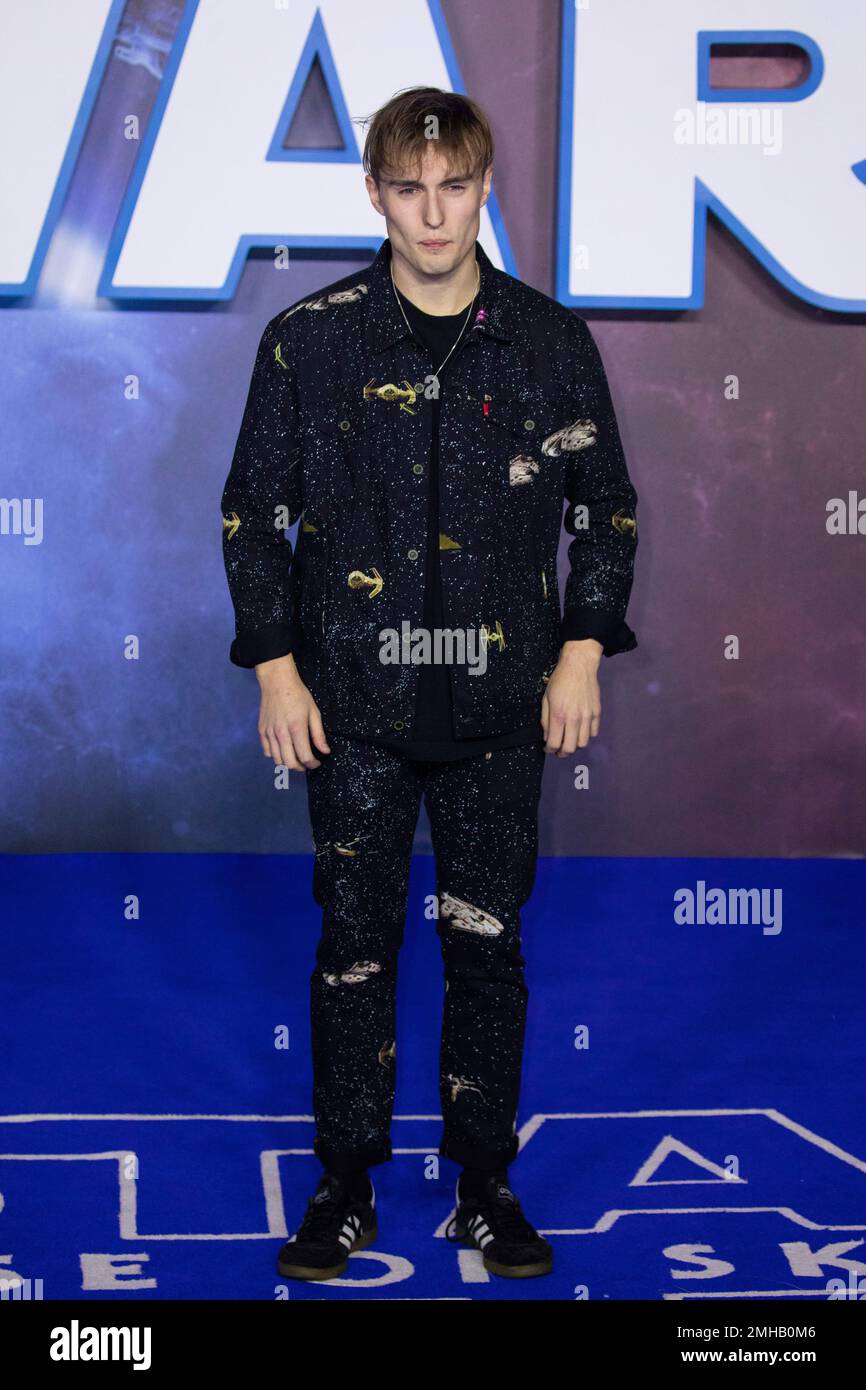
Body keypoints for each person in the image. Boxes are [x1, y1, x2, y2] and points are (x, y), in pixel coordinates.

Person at [220, 86, 639, 1282]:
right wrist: (276, 672)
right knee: (351, 947)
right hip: (352, 707)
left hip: (502, 706)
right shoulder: (313, 339)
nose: (433, 210)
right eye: (409, 187)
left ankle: (482, 1181)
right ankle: (343, 1183)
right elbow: (254, 518)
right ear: (375, 195)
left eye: (453, 185)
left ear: (484, 186)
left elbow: (603, 512)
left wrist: (577, 651)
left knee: (488, 950)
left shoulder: (549, 342)